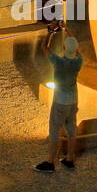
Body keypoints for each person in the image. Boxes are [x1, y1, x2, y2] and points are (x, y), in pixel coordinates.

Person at [35, 23, 83, 173]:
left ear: (63, 48)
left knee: (55, 130)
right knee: (71, 130)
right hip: (73, 100)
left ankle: (50, 162)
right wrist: (66, 29)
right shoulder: (78, 61)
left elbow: (45, 48)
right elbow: (76, 47)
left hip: (60, 101)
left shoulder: (59, 62)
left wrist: (50, 32)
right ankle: (70, 159)